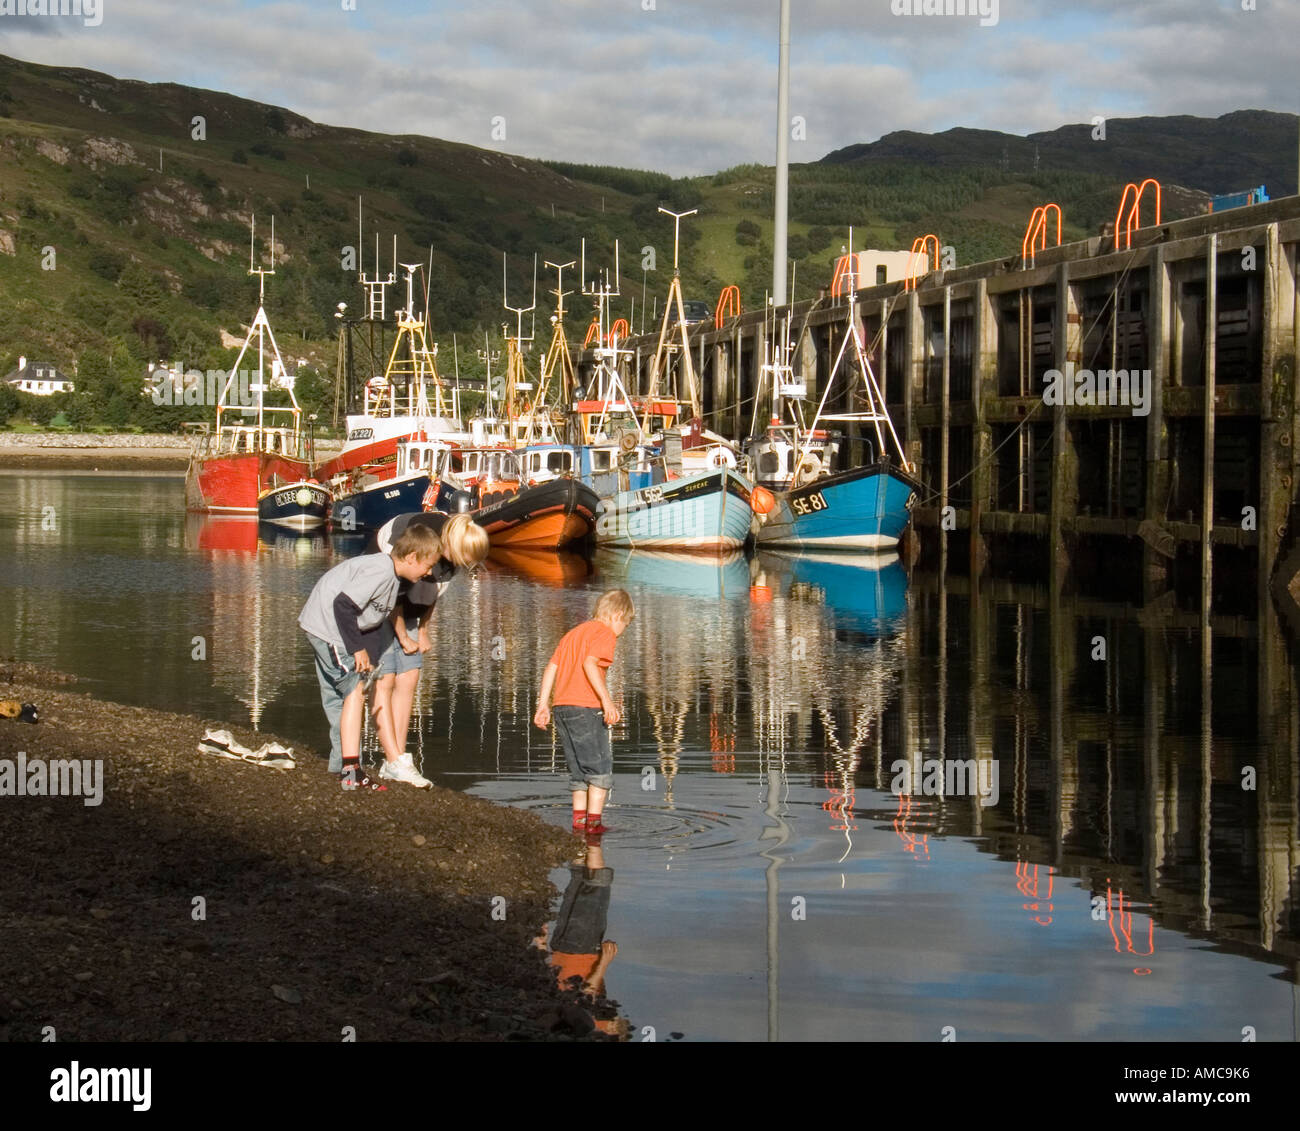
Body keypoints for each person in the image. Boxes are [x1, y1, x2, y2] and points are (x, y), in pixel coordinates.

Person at [298, 522, 440, 790]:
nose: (429, 572)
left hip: (320, 624)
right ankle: (351, 772)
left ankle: (341, 763)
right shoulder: (380, 571)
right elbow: (343, 605)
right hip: (328, 627)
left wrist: (370, 658)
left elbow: (372, 622)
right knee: (354, 689)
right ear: (412, 557)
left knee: (337, 697)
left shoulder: (393, 578)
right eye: (428, 565)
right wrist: (357, 650)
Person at [367, 512, 490, 786]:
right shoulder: (417, 543)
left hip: (406, 602)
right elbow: (391, 593)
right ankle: (392, 755)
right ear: (454, 548)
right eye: (468, 559)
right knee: (385, 677)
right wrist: (402, 635)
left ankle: (396, 759)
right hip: (377, 600)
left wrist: (422, 630)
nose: (470, 566)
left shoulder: (451, 561)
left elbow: (433, 595)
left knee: (409, 676)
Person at [533, 589, 634, 835]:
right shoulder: (605, 633)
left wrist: (543, 705)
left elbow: (550, 668)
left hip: (561, 708)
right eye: (626, 623)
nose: (623, 629)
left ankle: (578, 824)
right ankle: (594, 825)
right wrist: (607, 701)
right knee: (599, 769)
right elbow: (590, 663)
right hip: (586, 708)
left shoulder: (572, 634)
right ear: (617, 615)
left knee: (578, 771)